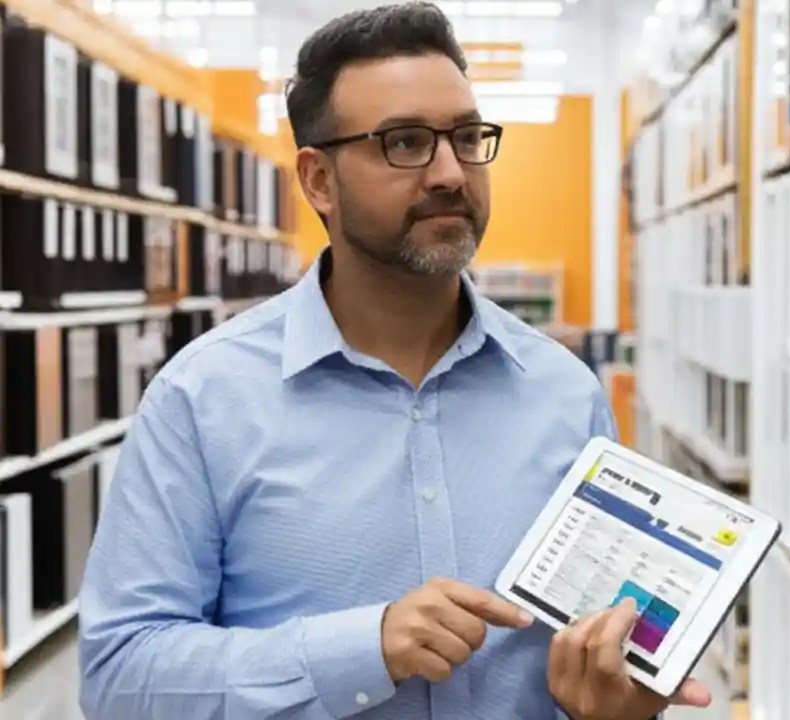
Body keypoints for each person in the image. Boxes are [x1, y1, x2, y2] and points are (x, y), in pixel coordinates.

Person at [76, 3, 712, 719]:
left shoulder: (564, 391)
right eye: (406, 143)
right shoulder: (203, 398)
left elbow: (598, 655)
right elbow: (120, 678)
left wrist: (613, 703)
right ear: (318, 181)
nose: (449, 172)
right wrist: (361, 649)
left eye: (467, 138)